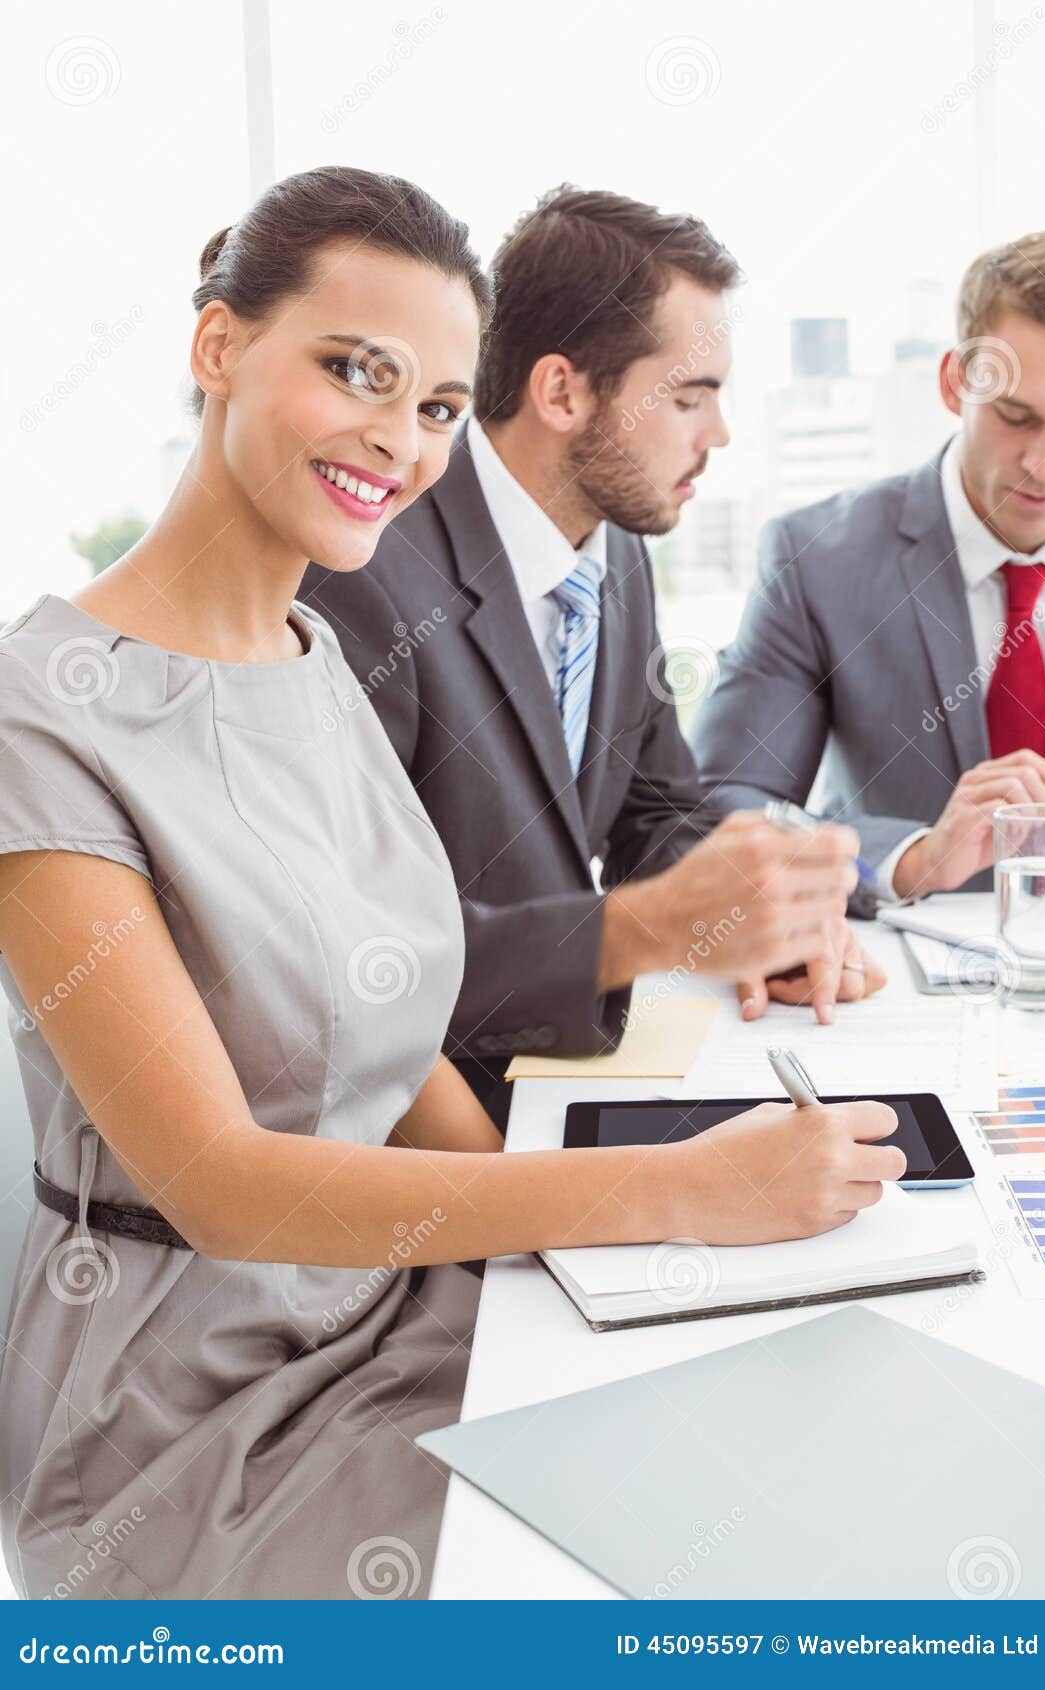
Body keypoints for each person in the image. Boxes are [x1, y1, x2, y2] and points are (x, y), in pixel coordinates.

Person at [0, 167, 904, 1602]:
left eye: (430, 405)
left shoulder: (310, 661)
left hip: (394, 1305)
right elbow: (223, 1187)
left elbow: (399, 1024)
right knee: (677, 1578)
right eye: (355, 371)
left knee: (785, 1452)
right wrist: (668, 1190)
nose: (401, 443)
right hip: (192, 1414)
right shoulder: (42, 715)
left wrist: (581, 1251)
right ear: (217, 346)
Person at [301, 186, 885, 1121]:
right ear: (562, 391)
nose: (719, 435)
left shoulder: (614, 550)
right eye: (690, 397)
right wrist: (642, 929)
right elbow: (356, 959)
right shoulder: (367, 572)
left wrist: (749, 913)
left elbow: (652, 808)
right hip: (422, 1125)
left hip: (568, 1079)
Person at [690, 232, 1045, 906]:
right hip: (891, 991)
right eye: (1016, 418)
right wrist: (912, 858)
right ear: (955, 383)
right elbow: (724, 804)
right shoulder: (818, 560)